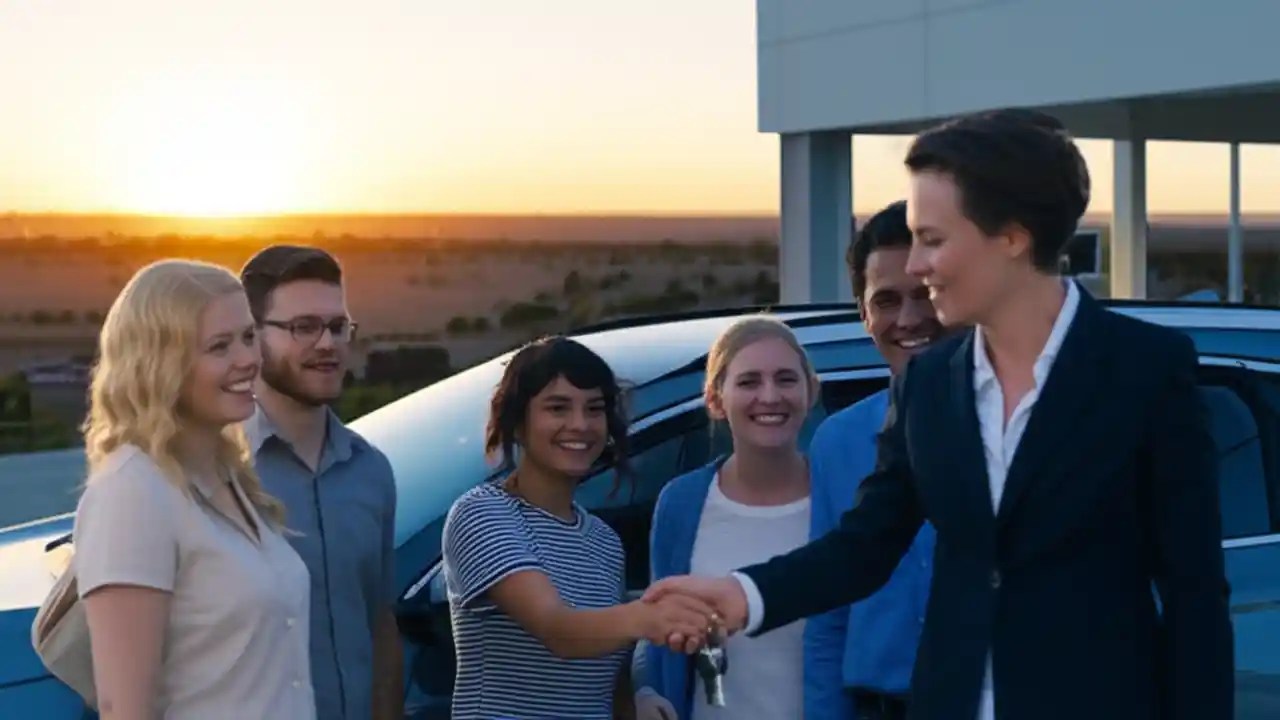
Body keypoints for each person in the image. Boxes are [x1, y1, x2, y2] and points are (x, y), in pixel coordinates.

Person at [645, 108, 1235, 720]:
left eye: (933, 239)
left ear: (1012, 235)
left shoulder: (1145, 369)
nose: (918, 264)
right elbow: (864, 545)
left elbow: (1195, 597)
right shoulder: (929, 384)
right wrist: (745, 594)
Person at [73, 259, 314, 719]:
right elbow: (125, 709)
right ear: (160, 363)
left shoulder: (227, 475)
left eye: (248, 336)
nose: (247, 359)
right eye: (219, 346)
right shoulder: (132, 495)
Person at [441, 336, 719, 720]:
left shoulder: (604, 542)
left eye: (594, 409)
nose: (579, 424)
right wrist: (650, 616)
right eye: (557, 408)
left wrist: (639, 702)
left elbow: (609, 675)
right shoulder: (482, 513)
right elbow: (559, 631)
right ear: (517, 423)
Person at [239, 246, 402, 720]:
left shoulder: (371, 471)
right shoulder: (211, 474)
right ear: (252, 337)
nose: (328, 344)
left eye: (337, 326)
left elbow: (379, 625)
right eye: (303, 327)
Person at [637, 316, 820, 720]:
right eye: (749, 381)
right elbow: (657, 632)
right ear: (716, 400)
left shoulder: (842, 497)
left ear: (811, 392)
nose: (769, 396)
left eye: (786, 379)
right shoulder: (682, 503)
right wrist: (645, 693)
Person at [805, 201, 945, 720]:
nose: (909, 319)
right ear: (864, 314)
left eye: (925, 295)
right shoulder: (836, 442)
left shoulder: (1022, 424)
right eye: (886, 300)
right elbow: (828, 613)